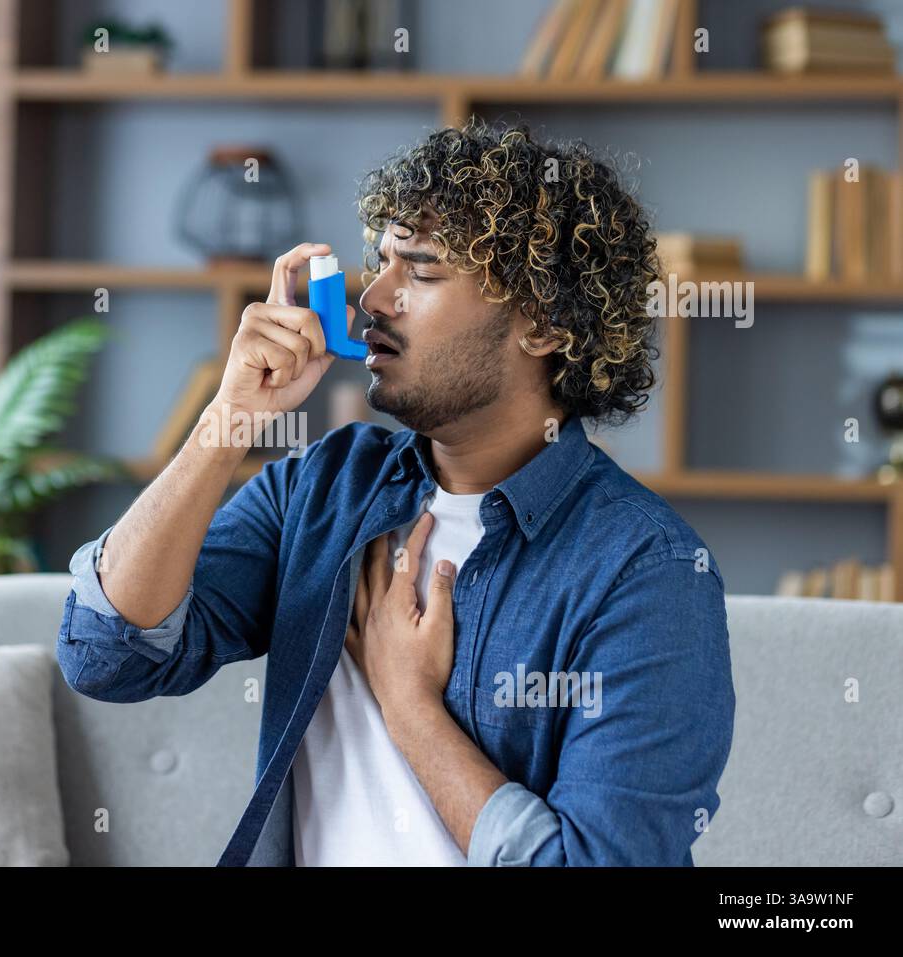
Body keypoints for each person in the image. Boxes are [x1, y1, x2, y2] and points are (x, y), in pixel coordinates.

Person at [56, 117, 736, 867]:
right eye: (381, 263)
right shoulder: (325, 487)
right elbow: (107, 656)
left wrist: (410, 707)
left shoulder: (647, 572)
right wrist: (230, 420)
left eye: (421, 271)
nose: (373, 298)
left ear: (543, 325)